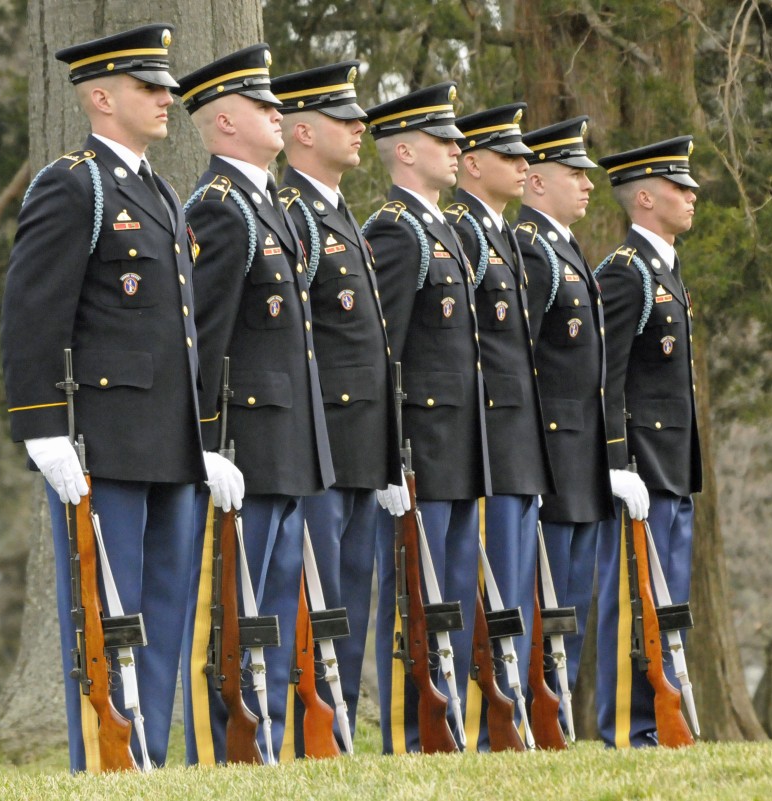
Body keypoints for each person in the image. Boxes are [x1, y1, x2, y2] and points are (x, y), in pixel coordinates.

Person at [0, 23, 234, 771]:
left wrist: (202, 436)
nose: (167, 98)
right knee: (109, 615)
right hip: (102, 436)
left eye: (166, 86)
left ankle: (149, 758)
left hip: (167, 436)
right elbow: (33, 310)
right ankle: (108, 761)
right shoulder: (75, 184)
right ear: (101, 97)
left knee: (164, 610)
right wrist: (41, 427)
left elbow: (183, 333)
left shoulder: (161, 189)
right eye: (148, 86)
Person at [175, 44, 335, 764]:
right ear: (227, 120)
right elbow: (201, 341)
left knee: (272, 608)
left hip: (287, 441)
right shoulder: (218, 210)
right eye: (266, 105)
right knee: (239, 613)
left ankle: (265, 738)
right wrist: (207, 442)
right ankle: (231, 743)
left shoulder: (265, 206)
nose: (280, 115)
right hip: (245, 444)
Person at [270, 60, 403, 751]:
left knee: (349, 595)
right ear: (300, 131)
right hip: (319, 440)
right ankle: (310, 728)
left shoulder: (339, 214)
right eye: (341, 119)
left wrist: (390, 450)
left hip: (359, 443)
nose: (358, 129)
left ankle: (340, 725)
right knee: (315, 600)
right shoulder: (293, 215)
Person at [362, 82, 490, 754]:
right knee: (415, 600)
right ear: (406, 151)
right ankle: (412, 732)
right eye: (444, 141)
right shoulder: (396, 229)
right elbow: (381, 352)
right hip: (420, 448)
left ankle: (448, 724)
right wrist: (390, 453)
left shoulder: (441, 228)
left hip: (460, 447)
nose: (457, 149)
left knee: (452, 601)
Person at [514, 117, 649, 725]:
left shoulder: (565, 246)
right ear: (536, 182)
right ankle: (541, 713)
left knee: (573, 599)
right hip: (552, 455)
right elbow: (525, 361)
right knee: (548, 598)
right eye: (574, 174)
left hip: (584, 457)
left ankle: (560, 714)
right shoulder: (532, 249)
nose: (588, 185)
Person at [446, 102, 554, 749]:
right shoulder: (462, 230)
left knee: (511, 592)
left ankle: (507, 715)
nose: (524, 165)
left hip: (517, 437)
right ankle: (482, 721)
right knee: (483, 589)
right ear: (474, 162)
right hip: (485, 433)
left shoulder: (505, 236)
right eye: (510, 156)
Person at [593, 135, 702, 748]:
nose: (690, 197)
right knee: (632, 602)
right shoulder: (626, 272)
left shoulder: (665, 268)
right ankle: (625, 727)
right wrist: (613, 460)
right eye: (678, 187)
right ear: (643, 197)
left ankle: (664, 720)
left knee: (669, 603)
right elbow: (603, 376)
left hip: (672, 465)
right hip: (640, 466)